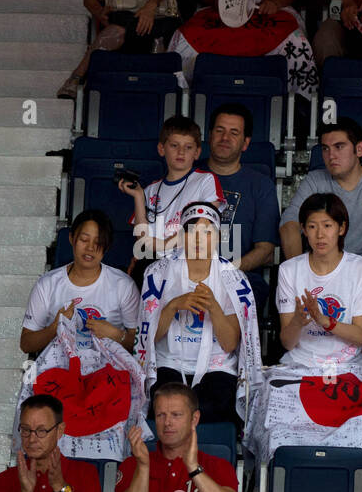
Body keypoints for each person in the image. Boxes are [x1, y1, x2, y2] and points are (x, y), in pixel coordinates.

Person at [139, 201, 251, 426]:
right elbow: (148, 339)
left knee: (210, 408)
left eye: (207, 232)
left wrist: (213, 307)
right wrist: (172, 306)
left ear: (218, 237)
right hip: (168, 362)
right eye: (192, 231)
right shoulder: (157, 274)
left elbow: (230, 344)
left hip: (216, 365)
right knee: (166, 407)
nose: (199, 239)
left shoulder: (233, 279)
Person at [117, 383, 240, 492]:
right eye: (161, 415)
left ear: (194, 418)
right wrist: (143, 466)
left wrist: (193, 467)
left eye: (176, 415)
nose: (167, 423)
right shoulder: (132, 464)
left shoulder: (216, 465)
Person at [281, 118, 362, 290]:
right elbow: (289, 223)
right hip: (320, 275)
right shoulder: (315, 179)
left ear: (359, 149)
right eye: (325, 149)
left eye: (339, 147)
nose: (331, 156)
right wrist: (296, 277)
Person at [175, 0, 314, 96]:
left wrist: (276, 2)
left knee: (297, 43)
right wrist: (222, 2)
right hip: (224, 4)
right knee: (184, 37)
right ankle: (183, 105)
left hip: (272, 6)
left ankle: (297, 109)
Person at [59, 0, 183, 99]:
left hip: (152, 16)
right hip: (117, 15)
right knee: (122, 26)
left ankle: (77, 77)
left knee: (121, 29)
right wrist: (99, 12)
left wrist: (150, 7)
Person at [277, 193, 362, 373]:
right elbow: (288, 343)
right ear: (304, 230)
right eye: (312, 227)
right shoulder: (289, 270)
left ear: (342, 228)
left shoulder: (361, 268)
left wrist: (323, 320)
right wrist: (298, 320)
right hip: (300, 364)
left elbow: (360, 336)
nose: (320, 235)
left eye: (327, 226)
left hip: (347, 365)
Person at [21, 210, 140, 356]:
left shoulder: (123, 285)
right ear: (71, 238)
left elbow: (140, 345)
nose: (90, 248)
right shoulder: (47, 284)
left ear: (107, 247)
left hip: (108, 374)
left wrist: (115, 334)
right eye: (84, 239)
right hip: (60, 373)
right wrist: (54, 328)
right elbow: (26, 344)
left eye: (98, 242)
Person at [119, 115, 225, 278]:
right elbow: (142, 238)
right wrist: (139, 196)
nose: (181, 152)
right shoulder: (150, 190)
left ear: (197, 153)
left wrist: (162, 245)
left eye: (188, 147)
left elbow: (203, 227)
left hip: (191, 265)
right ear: (162, 149)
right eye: (174, 145)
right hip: (157, 266)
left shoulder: (205, 180)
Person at [199, 102, 280, 313]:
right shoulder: (189, 175)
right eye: (219, 130)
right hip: (185, 272)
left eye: (234, 133)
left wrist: (225, 271)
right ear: (209, 136)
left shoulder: (261, 185)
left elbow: (265, 250)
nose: (225, 138)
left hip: (239, 276)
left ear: (245, 143)